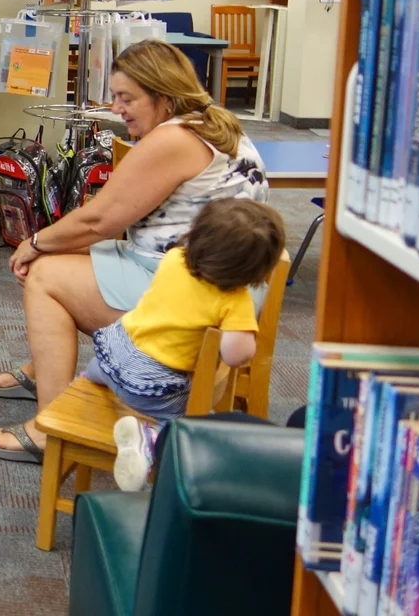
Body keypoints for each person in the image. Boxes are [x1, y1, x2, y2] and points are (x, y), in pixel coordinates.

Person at [0, 39, 269, 462]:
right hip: (216, 285)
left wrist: (33, 242)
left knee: (44, 276)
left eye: (127, 98)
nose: (117, 108)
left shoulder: (174, 139)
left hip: (192, 301)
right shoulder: (211, 124)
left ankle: (49, 430)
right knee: (64, 258)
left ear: (164, 98)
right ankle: (46, 369)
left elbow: (101, 219)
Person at [88, 198, 284, 489]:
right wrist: (247, 341)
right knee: (190, 425)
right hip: (148, 386)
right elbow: (235, 356)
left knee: (109, 367)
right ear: (256, 269)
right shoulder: (235, 300)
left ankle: (86, 380)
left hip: (109, 352)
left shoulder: (174, 259)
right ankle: (149, 438)